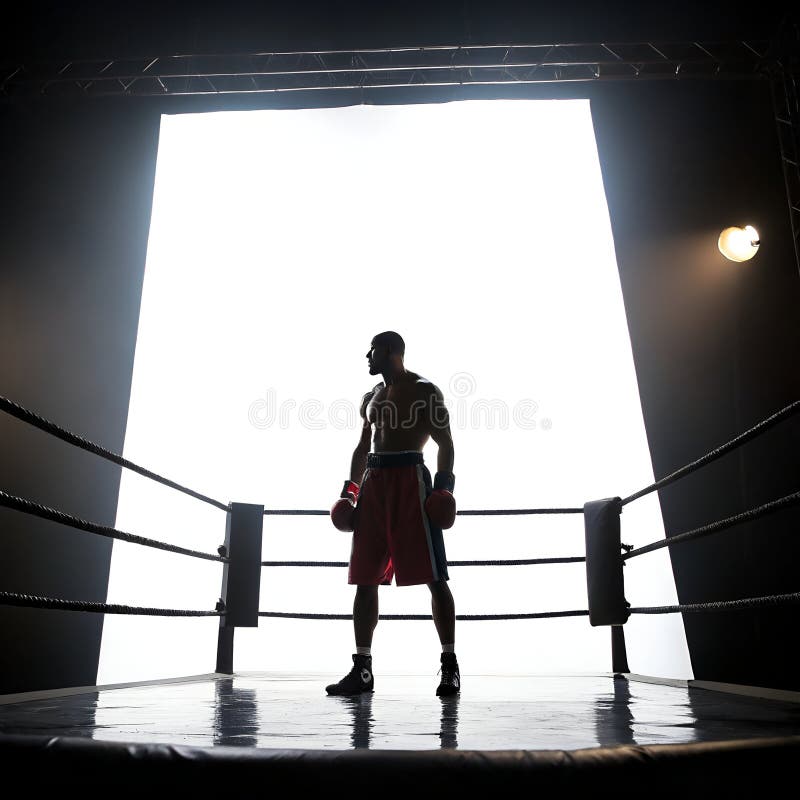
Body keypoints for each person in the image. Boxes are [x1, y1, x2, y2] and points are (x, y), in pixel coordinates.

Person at [327, 331, 459, 697]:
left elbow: (445, 442)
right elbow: (361, 445)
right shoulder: (370, 397)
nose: (366, 356)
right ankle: (362, 670)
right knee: (365, 579)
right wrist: (349, 494)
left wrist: (444, 489)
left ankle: (449, 666)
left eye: (371, 350)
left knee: (435, 578)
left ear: (389, 351)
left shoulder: (424, 389)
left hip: (411, 481)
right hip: (373, 483)